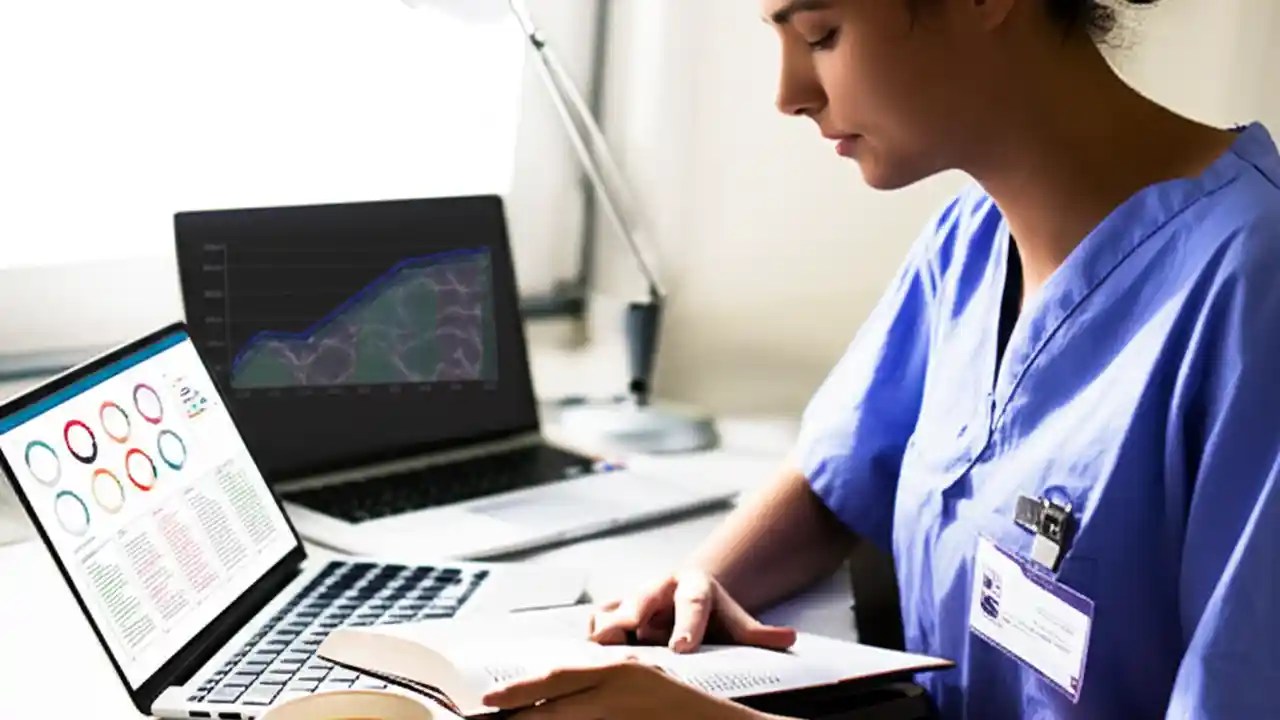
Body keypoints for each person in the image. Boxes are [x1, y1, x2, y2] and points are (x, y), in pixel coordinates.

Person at [480, 0, 1280, 717]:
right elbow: (841, 474)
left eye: (821, 33)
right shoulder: (968, 245)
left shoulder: (1252, 293)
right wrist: (703, 580)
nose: (788, 93)